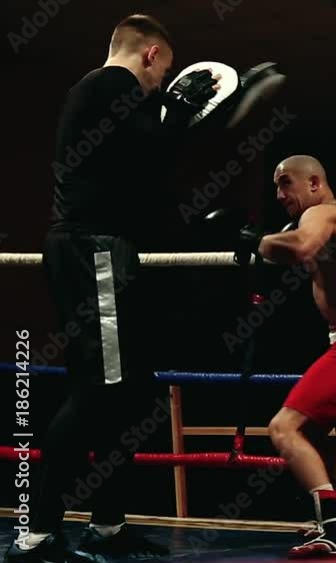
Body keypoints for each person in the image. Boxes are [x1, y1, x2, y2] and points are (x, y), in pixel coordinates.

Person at [4, 14, 220, 563]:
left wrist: (174, 109)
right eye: (164, 72)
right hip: (92, 250)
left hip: (103, 250)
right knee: (98, 391)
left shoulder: (110, 97)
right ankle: (37, 535)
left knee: (132, 392)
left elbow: (144, 175)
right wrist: (180, 112)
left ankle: (107, 526)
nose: (161, 83)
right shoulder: (111, 84)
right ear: (150, 55)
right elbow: (155, 153)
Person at [236, 155, 336, 556]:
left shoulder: (323, 212)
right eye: (276, 186)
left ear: (313, 183)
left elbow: (300, 246)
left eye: (285, 183)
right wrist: (264, 245)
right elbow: (297, 246)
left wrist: (255, 242)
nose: (279, 194)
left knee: (283, 429)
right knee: (311, 431)